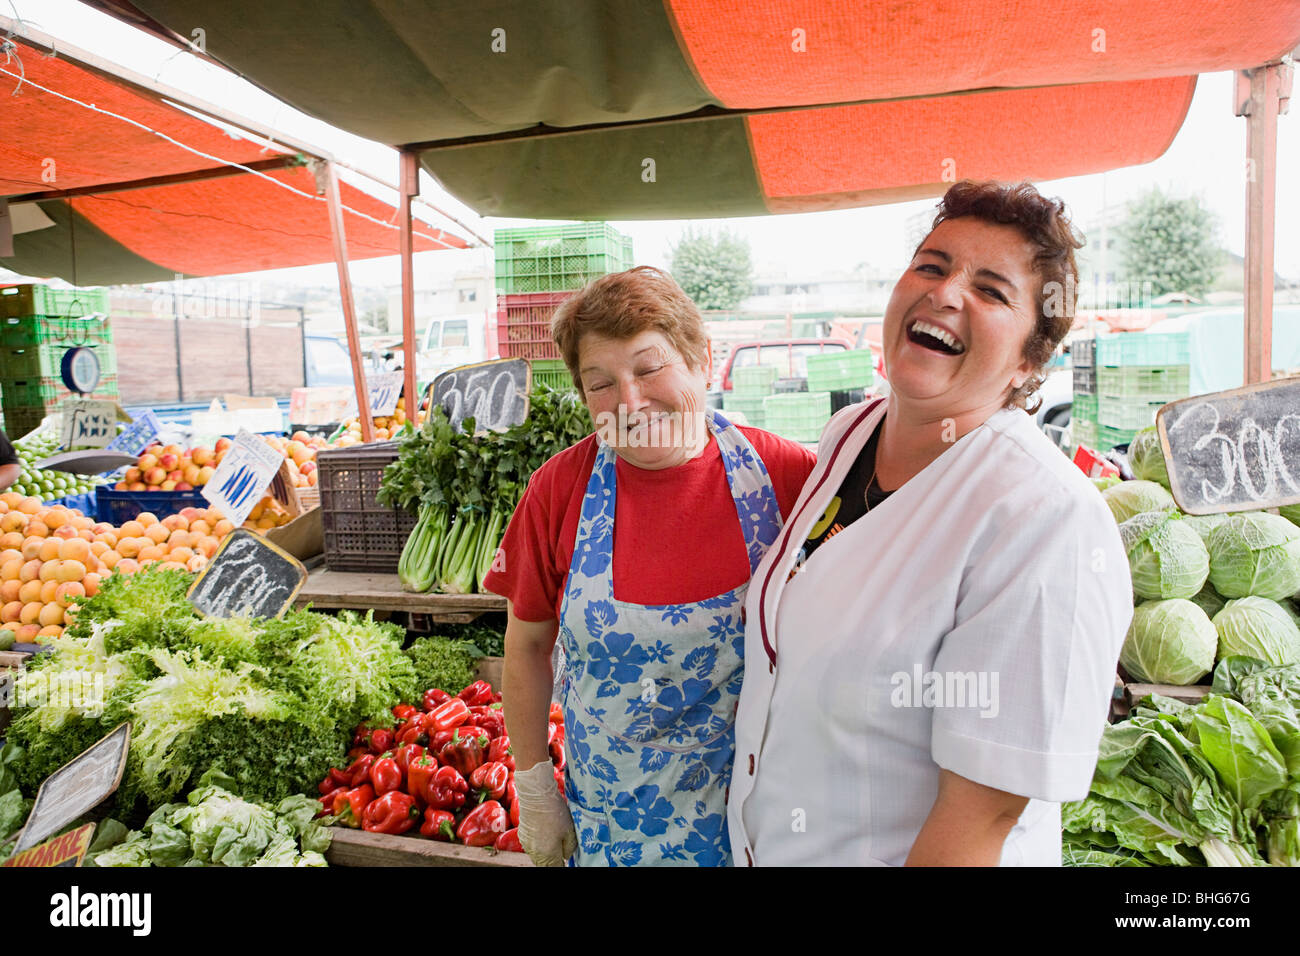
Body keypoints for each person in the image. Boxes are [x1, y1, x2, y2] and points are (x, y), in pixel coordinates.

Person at [728, 181, 1133, 866]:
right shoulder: (849, 436)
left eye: (992, 290)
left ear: (1030, 361)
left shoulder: (1043, 520)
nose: (945, 294)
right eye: (933, 265)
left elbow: (982, 816)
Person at [484, 266, 816, 866]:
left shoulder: (785, 477)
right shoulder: (560, 490)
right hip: (616, 825)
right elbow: (528, 645)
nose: (629, 402)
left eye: (649, 367)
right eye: (600, 383)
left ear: (702, 359)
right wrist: (533, 783)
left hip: (760, 825)